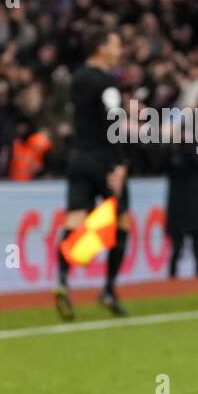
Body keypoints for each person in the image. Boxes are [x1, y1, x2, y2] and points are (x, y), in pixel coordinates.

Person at [55, 27, 131, 320]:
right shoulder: (107, 83)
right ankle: (108, 288)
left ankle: (62, 280)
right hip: (105, 160)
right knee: (121, 222)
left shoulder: (77, 79)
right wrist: (120, 164)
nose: (119, 51)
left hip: (78, 157)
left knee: (75, 220)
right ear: (101, 48)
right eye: (116, 45)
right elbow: (114, 125)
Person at [166, 143, 198, 278]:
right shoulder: (171, 152)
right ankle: (172, 281)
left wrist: (189, 146)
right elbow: (162, 165)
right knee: (176, 248)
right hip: (177, 207)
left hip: (196, 206)